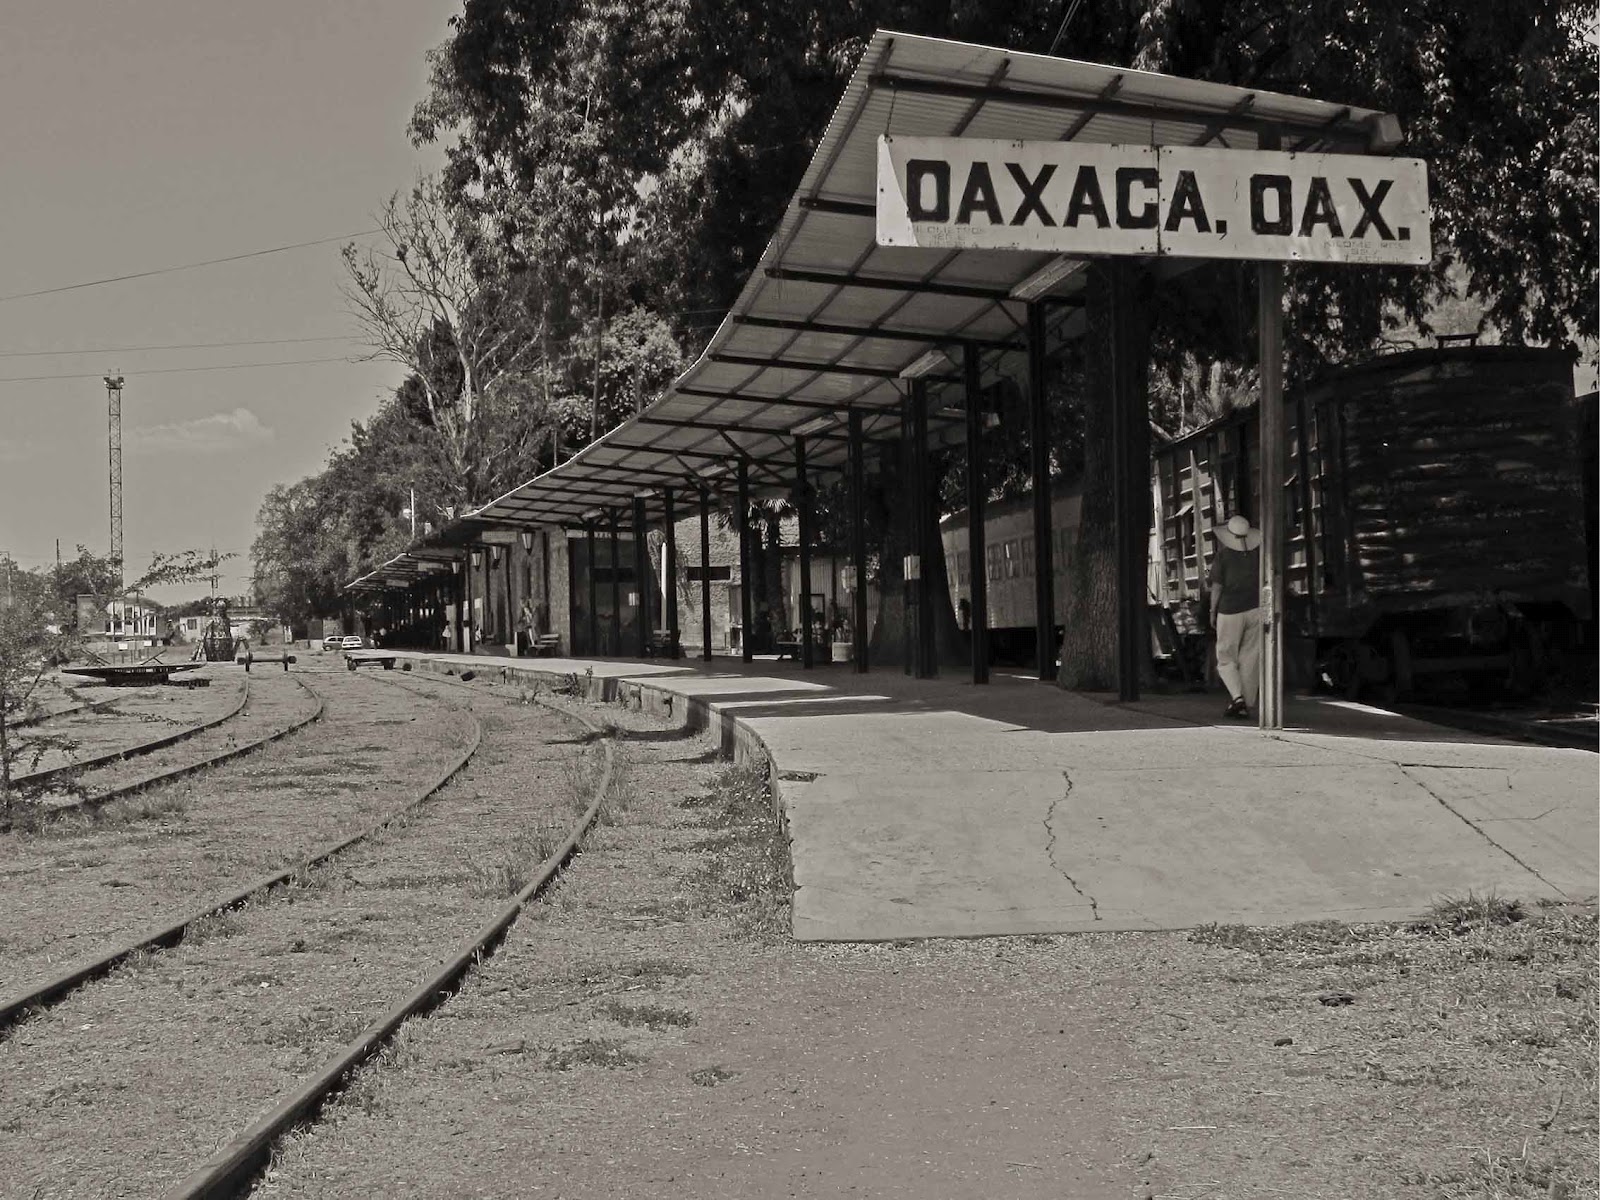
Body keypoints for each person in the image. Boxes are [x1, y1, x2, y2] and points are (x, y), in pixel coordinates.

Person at [1208, 513, 1262, 719]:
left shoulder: (1224, 556)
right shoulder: (1258, 554)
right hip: (1256, 609)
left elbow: (1217, 586)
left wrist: (1212, 611)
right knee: (1250, 656)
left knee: (1225, 656)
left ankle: (1237, 698)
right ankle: (1245, 703)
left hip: (1229, 610)